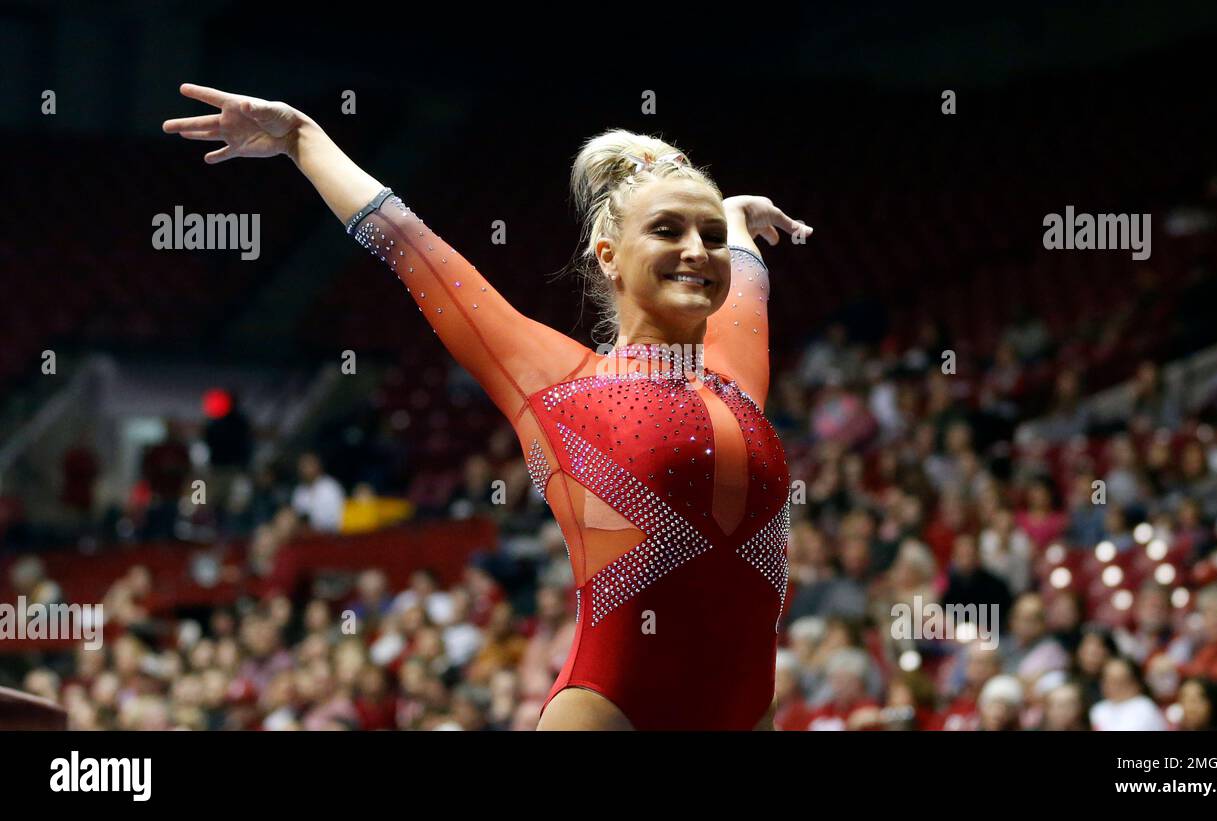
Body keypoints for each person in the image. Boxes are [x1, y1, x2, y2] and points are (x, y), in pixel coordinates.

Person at [165, 84, 812, 730]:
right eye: (668, 230)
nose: (698, 250)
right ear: (608, 255)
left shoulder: (737, 379)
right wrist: (303, 140)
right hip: (613, 710)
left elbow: (745, 275)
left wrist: (731, 218)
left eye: (708, 236)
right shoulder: (561, 385)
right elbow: (410, 246)